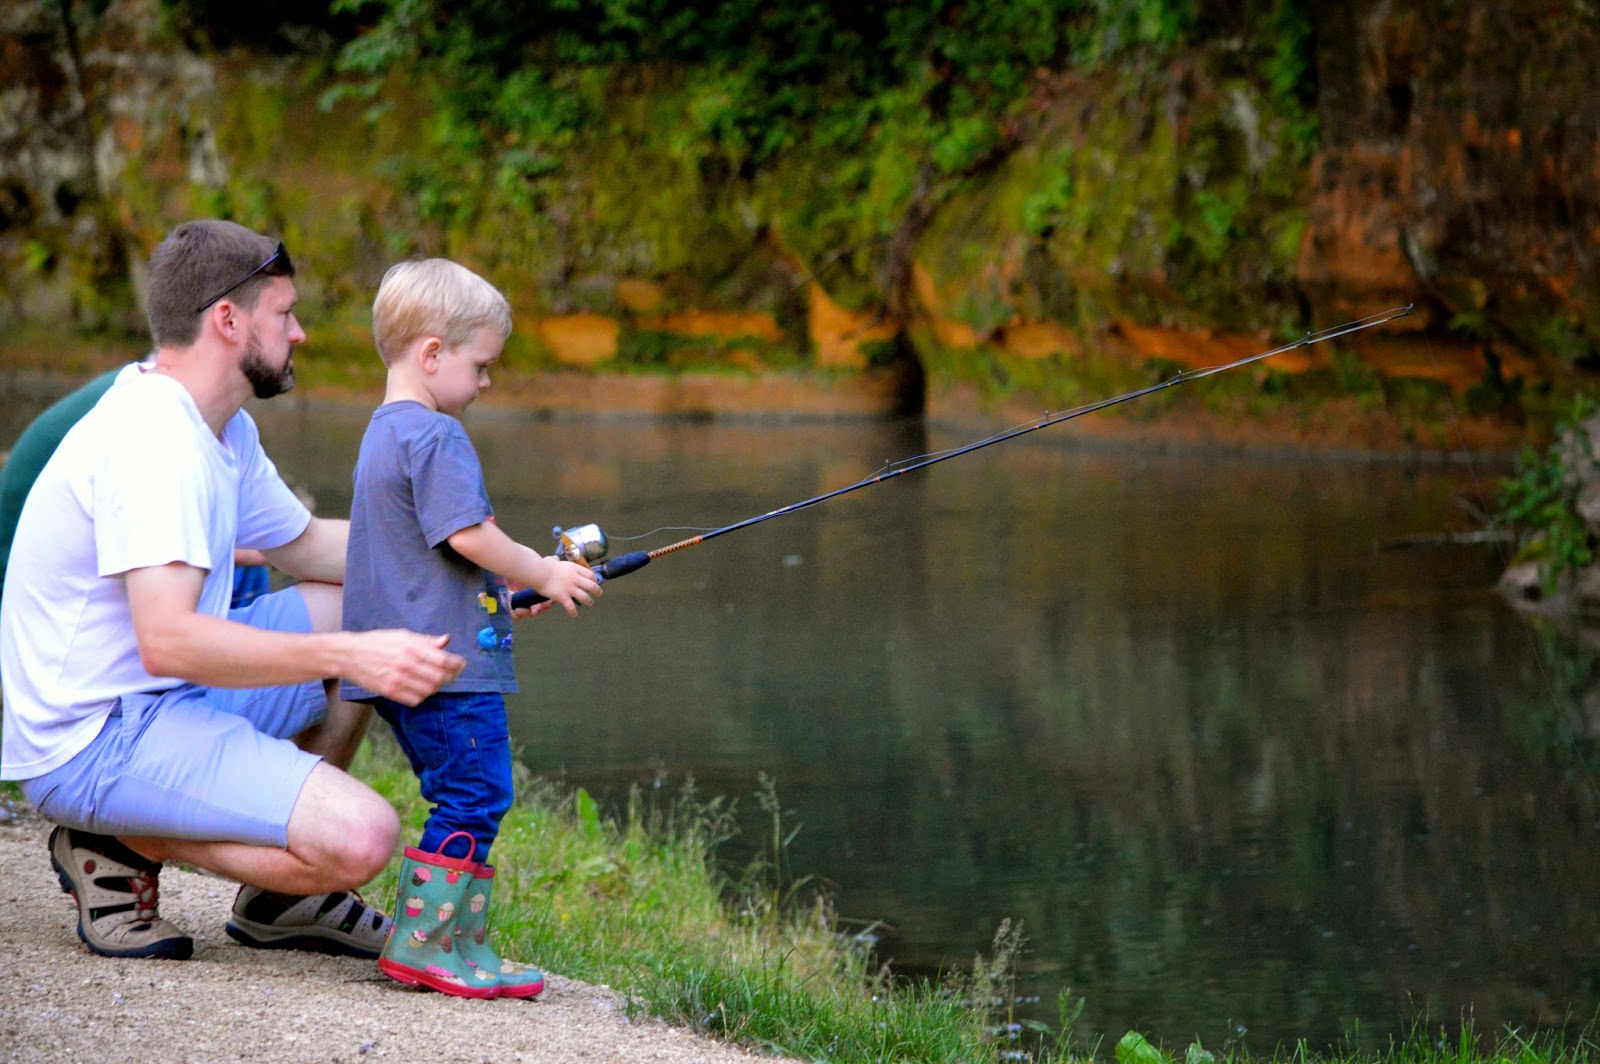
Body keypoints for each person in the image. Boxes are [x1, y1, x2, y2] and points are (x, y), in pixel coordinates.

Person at [0, 220, 468, 962]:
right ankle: (110, 841)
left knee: (362, 599)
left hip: (163, 700)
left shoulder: (221, 428)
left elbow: (311, 546)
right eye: (283, 314)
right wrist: (358, 654)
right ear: (228, 319)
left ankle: (283, 899)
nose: (301, 333)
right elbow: (170, 639)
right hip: (94, 738)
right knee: (365, 837)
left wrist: (476, 564)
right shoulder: (156, 444)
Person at [342, 258, 601, 998]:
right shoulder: (438, 436)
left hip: (401, 658)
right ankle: (428, 946)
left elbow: (418, 564)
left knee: (464, 792)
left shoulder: (382, 433)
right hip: (449, 673)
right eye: (481, 365)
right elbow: (467, 535)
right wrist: (544, 570)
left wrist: (508, 593)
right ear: (432, 354)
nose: (486, 383)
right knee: (475, 794)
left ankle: (454, 943)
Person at [0, 366, 272, 608]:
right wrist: (267, 550)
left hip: (47, 555)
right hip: (22, 582)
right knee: (234, 570)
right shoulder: (153, 417)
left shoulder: (138, 387)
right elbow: (152, 540)